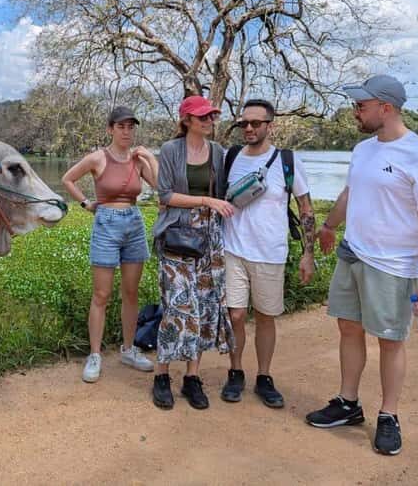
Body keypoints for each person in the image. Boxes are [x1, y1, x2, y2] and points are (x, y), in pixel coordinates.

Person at [306, 75, 418, 456]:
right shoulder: (363, 150)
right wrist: (329, 226)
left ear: (386, 108)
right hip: (353, 253)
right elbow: (350, 192)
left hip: (393, 265)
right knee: (348, 328)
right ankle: (348, 403)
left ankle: (389, 415)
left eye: (361, 106)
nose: (355, 111)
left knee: (390, 339)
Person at [219, 99, 316, 409]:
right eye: (244, 123)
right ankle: (235, 371)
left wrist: (308, 254)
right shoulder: (230, 157)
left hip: (270, 253)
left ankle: (264, 376)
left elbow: (305, 208)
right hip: (233, 249)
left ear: (269, 126)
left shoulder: (287, 161)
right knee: (235, 314)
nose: (248, 128)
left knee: (265, 317)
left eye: (256, 123)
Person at [150, 95, 236, 410]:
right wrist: (205, 201)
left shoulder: (217, 152)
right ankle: (162, 375)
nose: (209, 121)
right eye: (202, 117)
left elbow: (224, 193)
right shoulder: (171, 150)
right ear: (186, 120)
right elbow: (165, 195)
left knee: (203, 304)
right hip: (178, 233)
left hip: (209, 236)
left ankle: (192, 377)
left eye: (211, 116)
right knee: (176, 304)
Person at [62, 106, 159, 383]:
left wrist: (150, 158)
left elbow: (162, 187)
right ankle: (95, 355)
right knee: (101, 294)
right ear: (110, 129)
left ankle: (128, 349)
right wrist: (86, 203)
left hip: (134, 224)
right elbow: (68, 179)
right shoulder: (98, 157)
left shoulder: (137, 160)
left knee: (131, 292)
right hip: (106, 224)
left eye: (131, 127)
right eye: (121, 127)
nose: (126, 132)